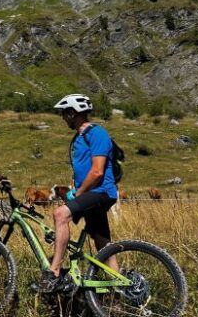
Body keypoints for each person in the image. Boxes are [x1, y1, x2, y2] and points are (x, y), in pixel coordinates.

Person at [39, 94, 118, 293]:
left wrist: (78, 193)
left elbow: (98, 171)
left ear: (73, 112)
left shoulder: (97, 133)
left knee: (60, 214)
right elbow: (82, 170)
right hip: (90, 193)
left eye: (64, 113)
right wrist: (75, 189)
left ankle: (54, 272)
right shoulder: (78, 138)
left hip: (100, 192)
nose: (63, 117)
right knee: (104, 246)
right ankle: (118, 288)